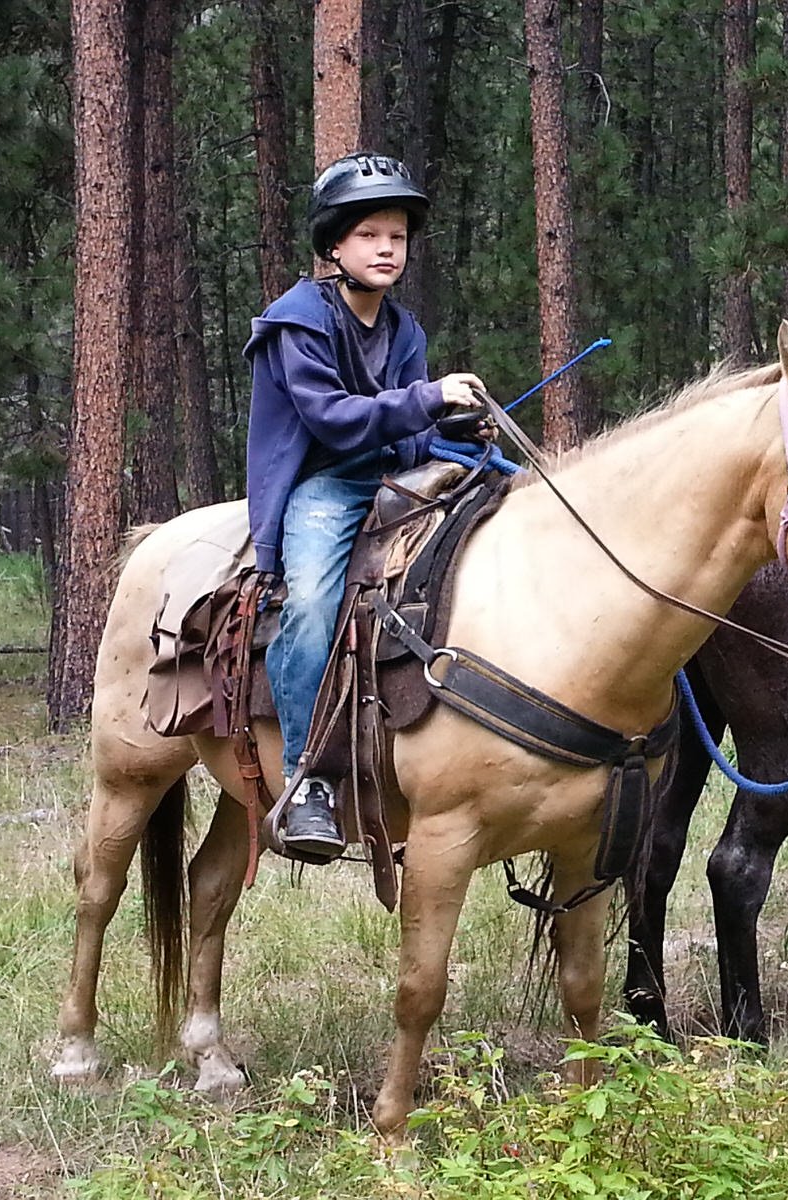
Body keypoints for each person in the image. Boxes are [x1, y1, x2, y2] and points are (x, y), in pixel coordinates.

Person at [244, 152, 485, 861]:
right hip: (325, 485)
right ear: (333, 246)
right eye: (370, 234)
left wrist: (452, 430)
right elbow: (334, 420)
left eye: (399, 236)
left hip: (397, 482)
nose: (387, 248)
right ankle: (308, 780)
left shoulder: (403, 329)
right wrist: (429, 398)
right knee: (314, 602)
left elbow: (408, 424)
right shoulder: (297, 321)